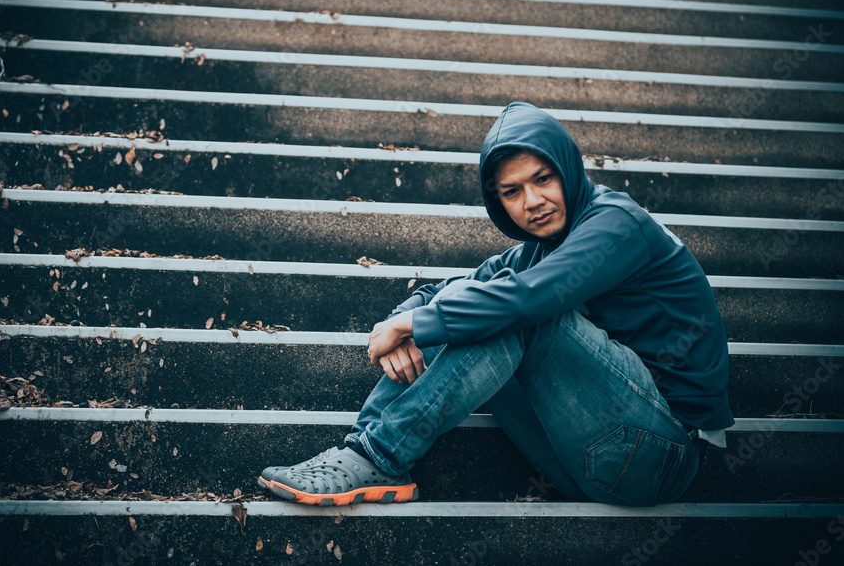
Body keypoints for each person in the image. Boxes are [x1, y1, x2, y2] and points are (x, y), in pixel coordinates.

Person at [257, 101, 734, 507]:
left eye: (543, 179)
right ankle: (362, 451)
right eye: (512, 191)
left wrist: (415, 326)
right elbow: (454, 289)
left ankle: (380, 455)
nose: (533, 201)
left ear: (568, 170)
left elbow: (524, 300)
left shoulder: (617, 225)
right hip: (578, 460)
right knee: (471, 300)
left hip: (659, 456)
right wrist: (401, 320)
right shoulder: (536, 252)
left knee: (513, 312)